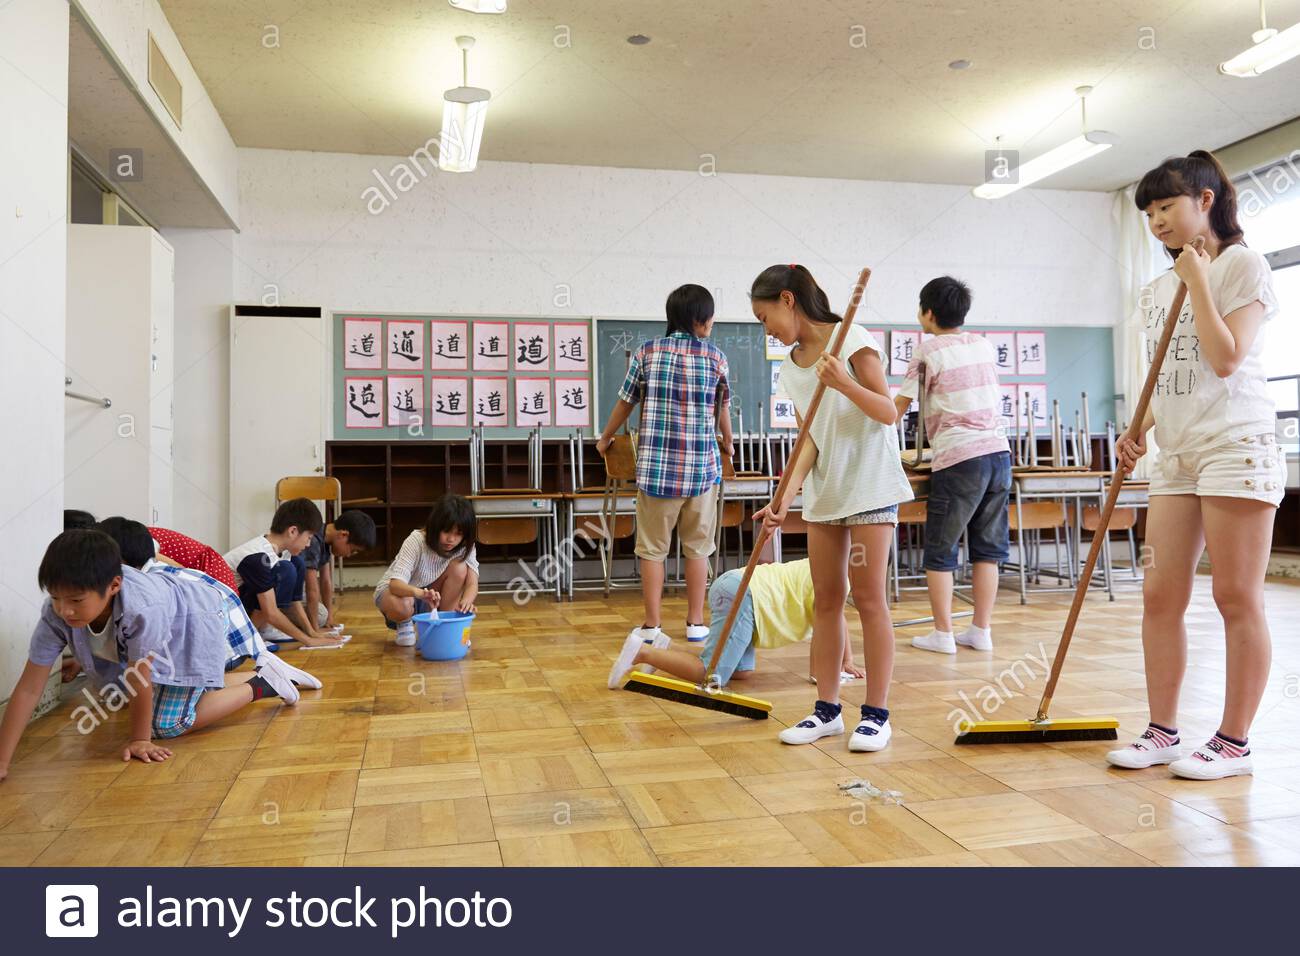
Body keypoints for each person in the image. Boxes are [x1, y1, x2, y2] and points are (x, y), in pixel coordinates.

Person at [1108, 149, 1284, 781]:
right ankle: (1162, 730)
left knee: (1235, 594)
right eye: (1148, 212)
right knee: (1160, 594)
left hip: (1236, 446)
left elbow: (1225, 358)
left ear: (1204, 201)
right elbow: (1168, 379)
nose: (1155, 221)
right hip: (1175, 454)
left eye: (1166, 206)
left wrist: (1200, 282)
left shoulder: (1244, 265)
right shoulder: (1155, 290)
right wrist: (1138, 432)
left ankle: (1234, 742)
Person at [751, 264, 913, 751]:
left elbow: (888, 413)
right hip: (826, 494)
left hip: (870, 486)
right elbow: (809, 443)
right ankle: (826, 711)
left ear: (788, 299)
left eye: (765, 318)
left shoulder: (854, 338)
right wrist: (785, 498)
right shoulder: (791, 367)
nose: (768, 329)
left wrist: (843, 382)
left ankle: (876, 715)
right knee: (825, 600)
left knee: (868, 599)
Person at [0, 531, 299, 781]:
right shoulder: (57, 615)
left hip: (201, 616)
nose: (64, 610)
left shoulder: (141, 608)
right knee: (127, 697)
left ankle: (263, 683)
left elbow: (140, 675)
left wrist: (141, 739)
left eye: (76, 600)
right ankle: (247, 676)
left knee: (166, 725)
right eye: (55, 598)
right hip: (169, 618)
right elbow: (30, 687)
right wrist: (2, 761)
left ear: (114, 586)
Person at [595, 284, 733, 646]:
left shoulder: (647, 352)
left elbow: (625, 402)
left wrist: (606, 437)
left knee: (652, 549)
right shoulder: (716, 358)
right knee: (698, 547)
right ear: (700, 320)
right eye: (711, 317)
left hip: (657, 471)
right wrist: (729, 442)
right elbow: (722, 409)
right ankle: (695, 623)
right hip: (701, 472)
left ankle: (653, 625)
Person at [894, 276, 1011, 654]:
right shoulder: (983, 345)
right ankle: (982, 630)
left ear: (927, 313)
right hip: (999, 454)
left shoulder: (927, 350)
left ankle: (943, 633)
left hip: (960, 458)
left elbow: (898, 407)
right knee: (987, 549)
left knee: (941, 550)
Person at [96, 516, 320, 690]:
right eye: (309, 537)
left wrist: (310, 637)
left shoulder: (144, 567)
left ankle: (262, 672)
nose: (310, 543)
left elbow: (176, 572)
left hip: (213, 600)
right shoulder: (133, 540)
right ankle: (260, 656)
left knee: (167, 693)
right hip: (212, 595)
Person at [606, 558, 861, 689]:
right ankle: (643, 652)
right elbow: (825, 633)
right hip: (743, 595)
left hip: (742, 590)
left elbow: (836, 621)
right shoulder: (835, 579)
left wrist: (846, 661)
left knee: (741, 672)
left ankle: (665, 648)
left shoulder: (828, 565)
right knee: (710, 675)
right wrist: (824, 674)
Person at [223, 498, 343, 648]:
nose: (308, 544)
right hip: (225, 614)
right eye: (309, 537)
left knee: (295, 564)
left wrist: (311, 633)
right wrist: (308, 641)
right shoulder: (258, 556)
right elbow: (271, 612)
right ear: (293, 531)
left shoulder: (283, 553)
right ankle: (249, 636)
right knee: (286, 570)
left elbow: (294, 601)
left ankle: (262, 630)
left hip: (242, 606)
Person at [375, 494, 479, 646]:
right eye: (446, 531)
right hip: (399, 597)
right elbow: (395, 585)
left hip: (429, 598)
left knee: (460, 568)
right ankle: (404, 623)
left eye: (459, 534)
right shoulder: (416, 540)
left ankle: (444, 622)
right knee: (403, 604)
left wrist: (466, 603)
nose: (451, 539)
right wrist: (421, 593)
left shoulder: (465, 546)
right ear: (435, 525)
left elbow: (472, 583)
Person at [301, 510, 377, 629]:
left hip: (295, 592)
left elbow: (326, 581)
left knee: (323, 615)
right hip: (284, 592)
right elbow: (312, 588)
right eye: (352, 550)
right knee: (320, 615)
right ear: (343, 535)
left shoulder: (325, 540)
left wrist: (330, 618)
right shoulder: (313, 541)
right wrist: (314, 631)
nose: (348, 555)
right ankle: (274, 623)